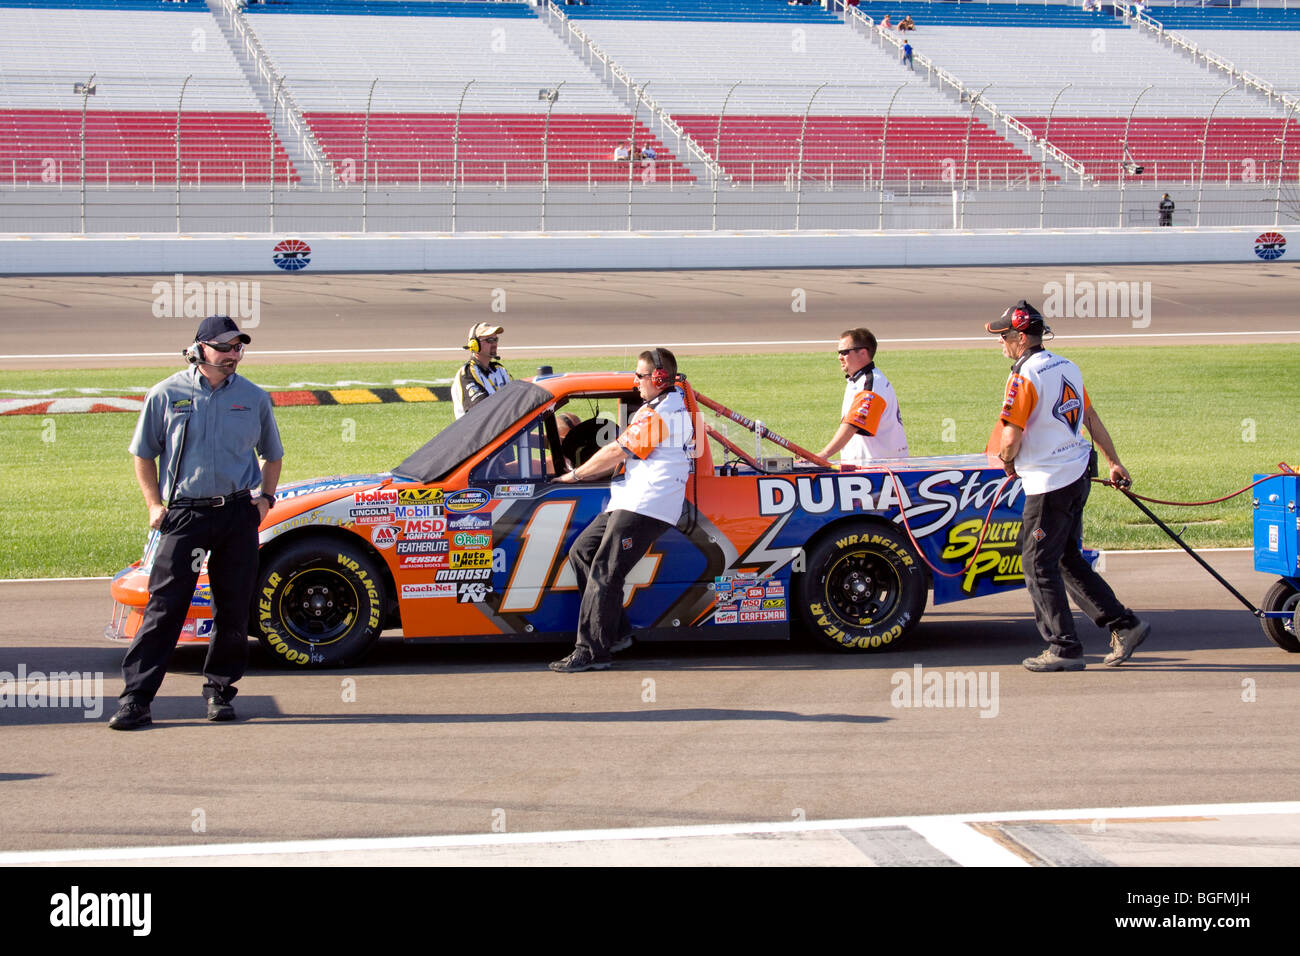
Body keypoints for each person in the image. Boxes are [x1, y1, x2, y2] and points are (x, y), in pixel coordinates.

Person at [108, 316, 283, 730]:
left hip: (237, 513)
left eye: (238, 347)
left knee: (234, 607)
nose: (232, 355)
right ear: (200, 348)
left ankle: (220, 691)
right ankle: (136, 699)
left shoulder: (253, 397)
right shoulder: (166, 393)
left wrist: (266, 501)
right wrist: (154, 504)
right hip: (185, 514)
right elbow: (143, 454)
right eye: (224, 347)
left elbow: (271, 454)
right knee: (165, 606)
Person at [986, 300, 1150, 672]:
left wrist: (1007, 461)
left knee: (1037, 563)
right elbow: (1090, 416)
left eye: (1004, 335)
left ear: (1022, 337)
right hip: (1077, 472)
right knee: (1065, 557)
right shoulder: (1067, 366)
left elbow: (1010, 435)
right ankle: (1125, 625)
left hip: (1049, 482)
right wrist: (1113, 461)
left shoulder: (1023, 375)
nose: (1000, 342)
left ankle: (1063, 647)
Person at [549, 348, 694, 672]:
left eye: (639, 375)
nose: (634, 381)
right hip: (631, 498)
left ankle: (590, 651)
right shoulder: (657, 408)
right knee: (583, 552)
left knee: (605, 569)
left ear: (658, 378)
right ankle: (616, 632)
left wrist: (575, 475)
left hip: (648, 504)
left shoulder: (662, 413)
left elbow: (617, 450)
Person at [817, 328, 909, 466]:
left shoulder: (870, 384)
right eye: (839, 352)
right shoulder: (858, 381)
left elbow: (852, 425)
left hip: (879, 470)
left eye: (844, 352)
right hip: (870, 468)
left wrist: (822, 455)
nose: (839, 357)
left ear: (863, 353)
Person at [452, 322, 511, 419]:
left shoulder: (500, 370)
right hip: (478, 432)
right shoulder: (467, 374)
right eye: (489, 340)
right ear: (474, 344)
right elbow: (480, 411)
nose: (494, 344)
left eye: (496, 339)